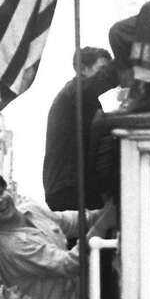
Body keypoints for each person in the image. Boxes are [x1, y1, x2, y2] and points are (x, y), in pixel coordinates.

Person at [42, 47, 117, 211]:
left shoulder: (86, 99)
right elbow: (103, 80)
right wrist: (129, 60)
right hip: (69, 185)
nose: (104, 74)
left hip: (75, 184)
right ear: (82, 68)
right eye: (101, 69)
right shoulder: (74, 91)